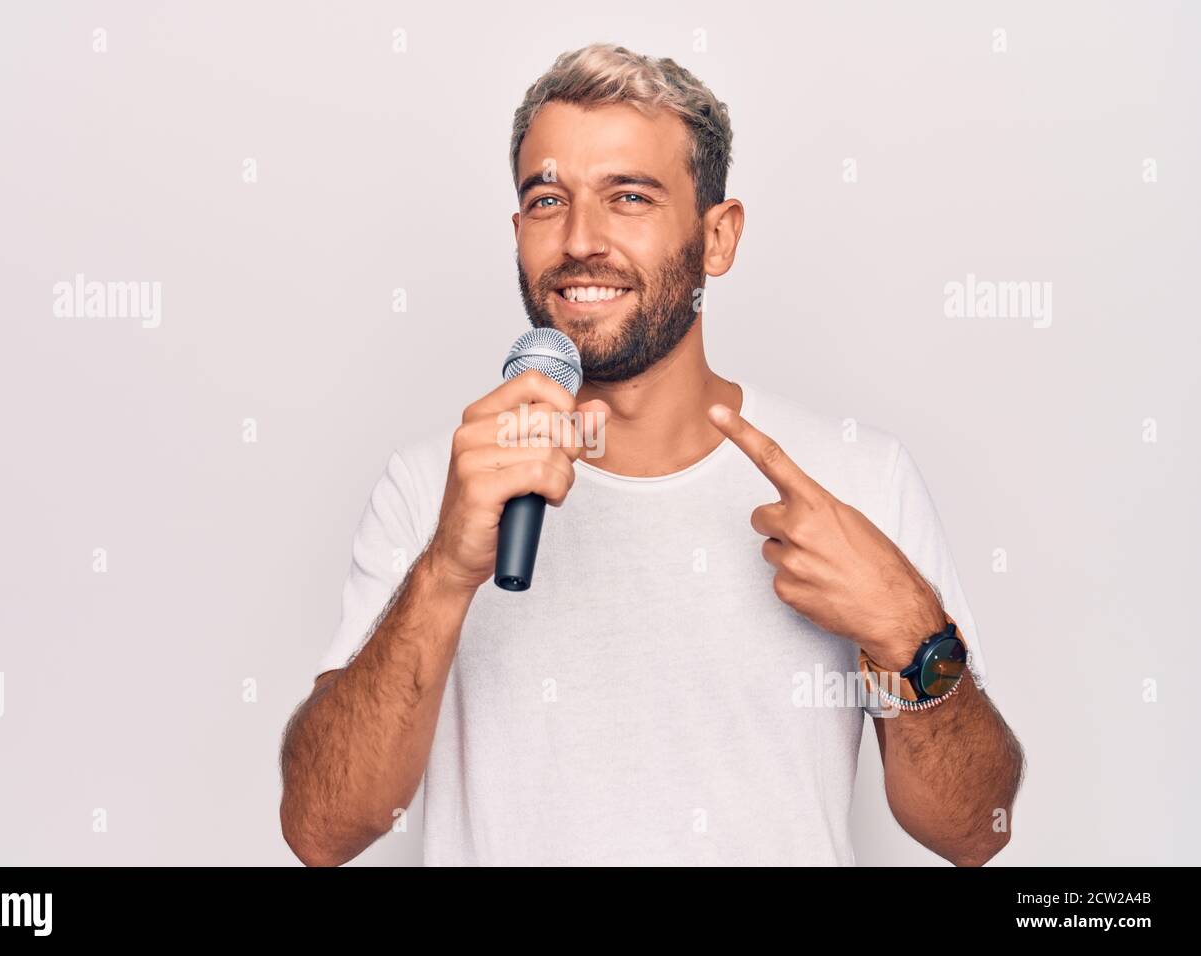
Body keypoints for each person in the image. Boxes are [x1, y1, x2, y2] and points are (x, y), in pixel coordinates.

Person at [280, 43, 1024, 866]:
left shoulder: (856, 476)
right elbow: (321, 828)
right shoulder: (436, 482)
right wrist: (446, 572)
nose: (580, 241)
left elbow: (971, 830)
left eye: (628, 196)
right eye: (547, 200)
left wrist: (910, 631)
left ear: (718, 237)